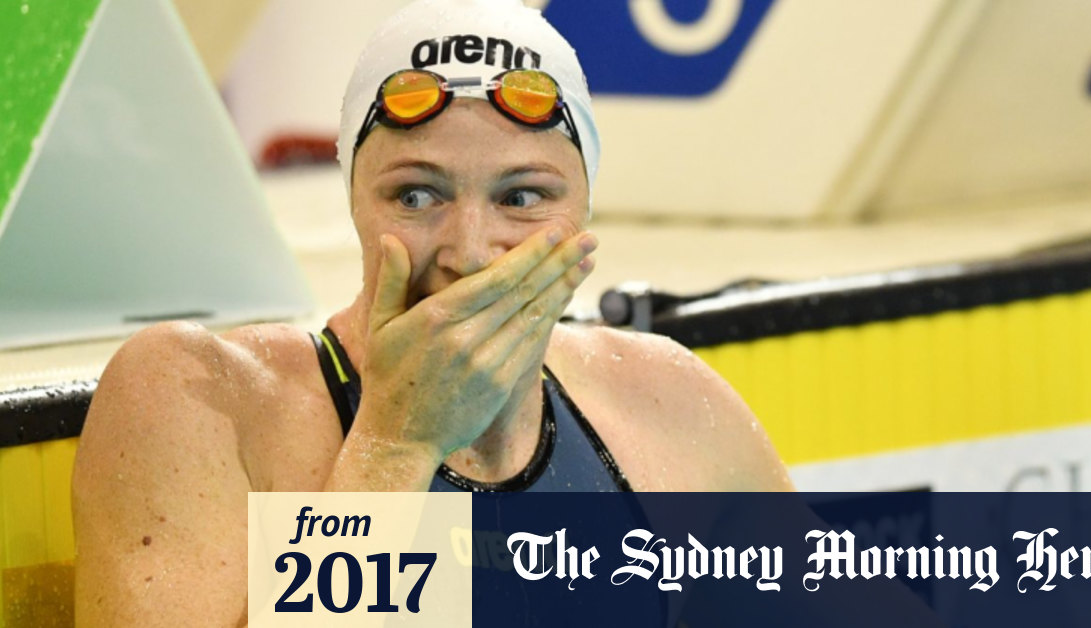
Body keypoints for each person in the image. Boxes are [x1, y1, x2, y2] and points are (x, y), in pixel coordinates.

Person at [71, 0, 793, 624]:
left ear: (584, 210)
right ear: (355, 200)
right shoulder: (204, 402)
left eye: (522, 197)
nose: (470, 253)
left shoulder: (663, 403)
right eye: (417, 195)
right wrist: (396, 446)